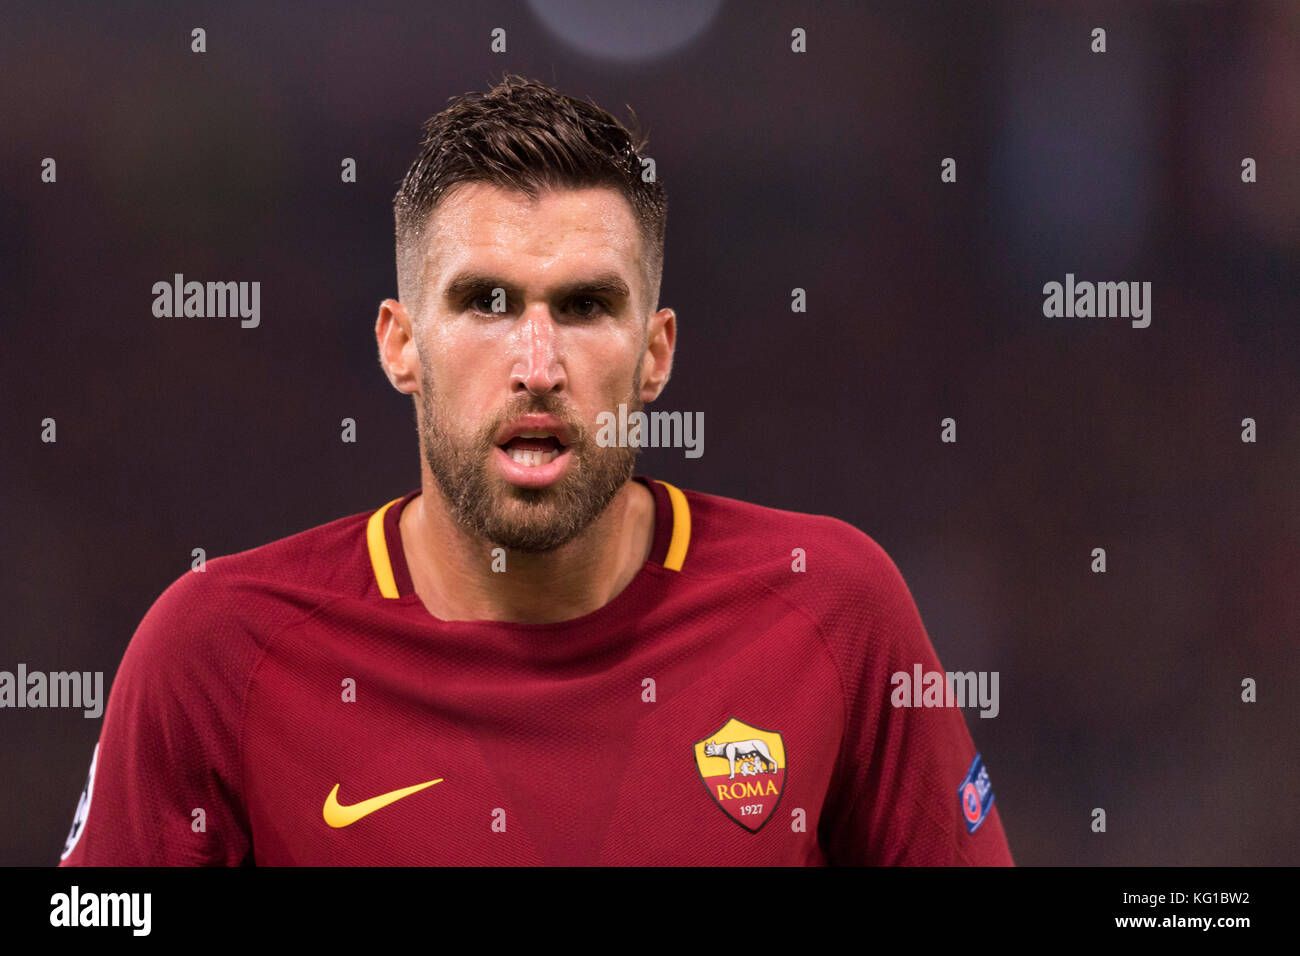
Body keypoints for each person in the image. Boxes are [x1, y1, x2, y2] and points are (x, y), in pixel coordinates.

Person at [59, 75, 1012, 865]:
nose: (537, 364)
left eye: (588, 305)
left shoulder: (834, 610)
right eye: (484, 302)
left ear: (655, 353)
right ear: (401, 346)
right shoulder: (215, 653)